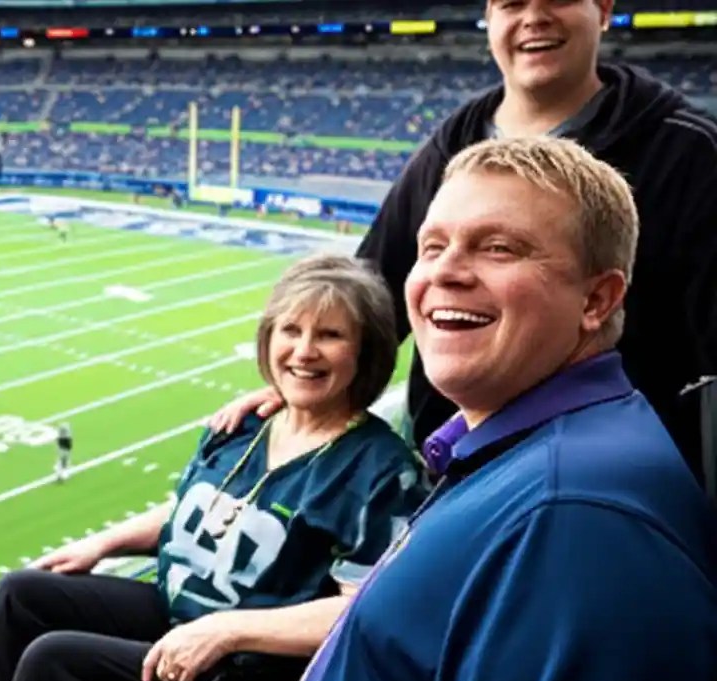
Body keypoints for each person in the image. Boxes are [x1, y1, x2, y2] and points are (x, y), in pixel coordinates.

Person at [286, 137, 717, 681]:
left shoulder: (572, 516)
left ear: (596, 299)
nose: (445, 271)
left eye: (498, 248)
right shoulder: (535, 453)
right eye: (431, 245)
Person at [212, 0, 717, 483]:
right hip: (451, 464)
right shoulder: (450, 146)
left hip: (604, 480)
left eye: (557, 0)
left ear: (603, 9)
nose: (534, 18)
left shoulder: (688, 152)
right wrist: (303, 381)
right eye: (512, 4)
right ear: (489, 17)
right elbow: (370, 296)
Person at [0, 255, 427, 681]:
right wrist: (105, 543)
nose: (304, 350)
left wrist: (228, 631)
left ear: (365, 353)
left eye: (330, 335)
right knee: (21, 596)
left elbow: (360, 612)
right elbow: (193, 510)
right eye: (291, 330)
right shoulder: (246, 425)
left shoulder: (381, 471)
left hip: (249, 665)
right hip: (181, 607)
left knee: (55, 664)